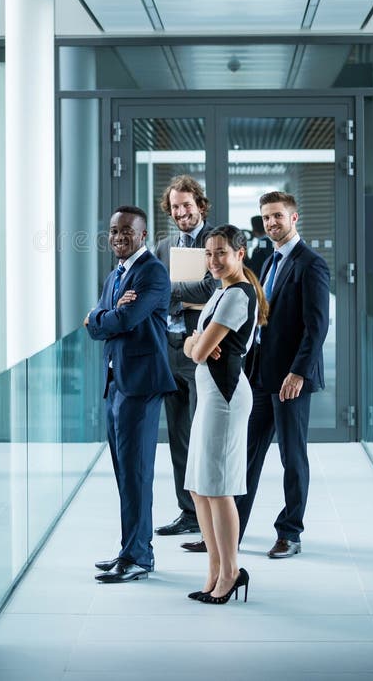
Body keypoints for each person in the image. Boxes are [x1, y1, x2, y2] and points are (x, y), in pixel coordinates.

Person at [236, 191, 330, 558]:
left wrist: (298, 373)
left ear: (294, 218)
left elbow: (317, 327)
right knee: (246, 455)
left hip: (292, 378)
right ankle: (233, 530)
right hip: (261, 374)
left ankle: (290, 532)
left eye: (278, 216)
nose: (271, 222)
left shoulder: (311, 264)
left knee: (292, 457)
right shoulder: (266, 260)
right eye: (266, 217)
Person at [85, 206, 176, 583]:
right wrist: (102, 317)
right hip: (117, 384)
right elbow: (99, 324)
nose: (118, 236)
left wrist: (99, 316)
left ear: (143, 235)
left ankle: (139, 556)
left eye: (127, 231)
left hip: (141, 384)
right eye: (113, 231)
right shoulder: (116, 275)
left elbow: (118, 320)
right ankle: (130, 550)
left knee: (136, 473)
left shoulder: (152, 272)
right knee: (125, 473)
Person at [183, 225, 267, 604]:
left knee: (218, 487)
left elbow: (199, 352)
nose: (213, 260)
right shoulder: (220, 293)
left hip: (225, 398)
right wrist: (195, 343)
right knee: (199, 487)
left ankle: (231, 571)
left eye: (221, 252)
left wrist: (196, 344)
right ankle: (215, 569)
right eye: (208, 253)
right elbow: (195, 344)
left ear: (240, 253)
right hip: (210, 396)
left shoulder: (237, 295)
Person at [153, 175, 218, 537]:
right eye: (176, 207)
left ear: (200, 206)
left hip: (202, 349)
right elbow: (153, 290)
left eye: (187, 206)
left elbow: (212, 288)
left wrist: (170, 291)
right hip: (169, 348)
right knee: (178, 434)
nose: (182, 213)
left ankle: (212, 511)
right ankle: (189, 512)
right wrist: (180, 293)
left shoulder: (215, 242)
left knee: (203, 434)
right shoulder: (163, 248)